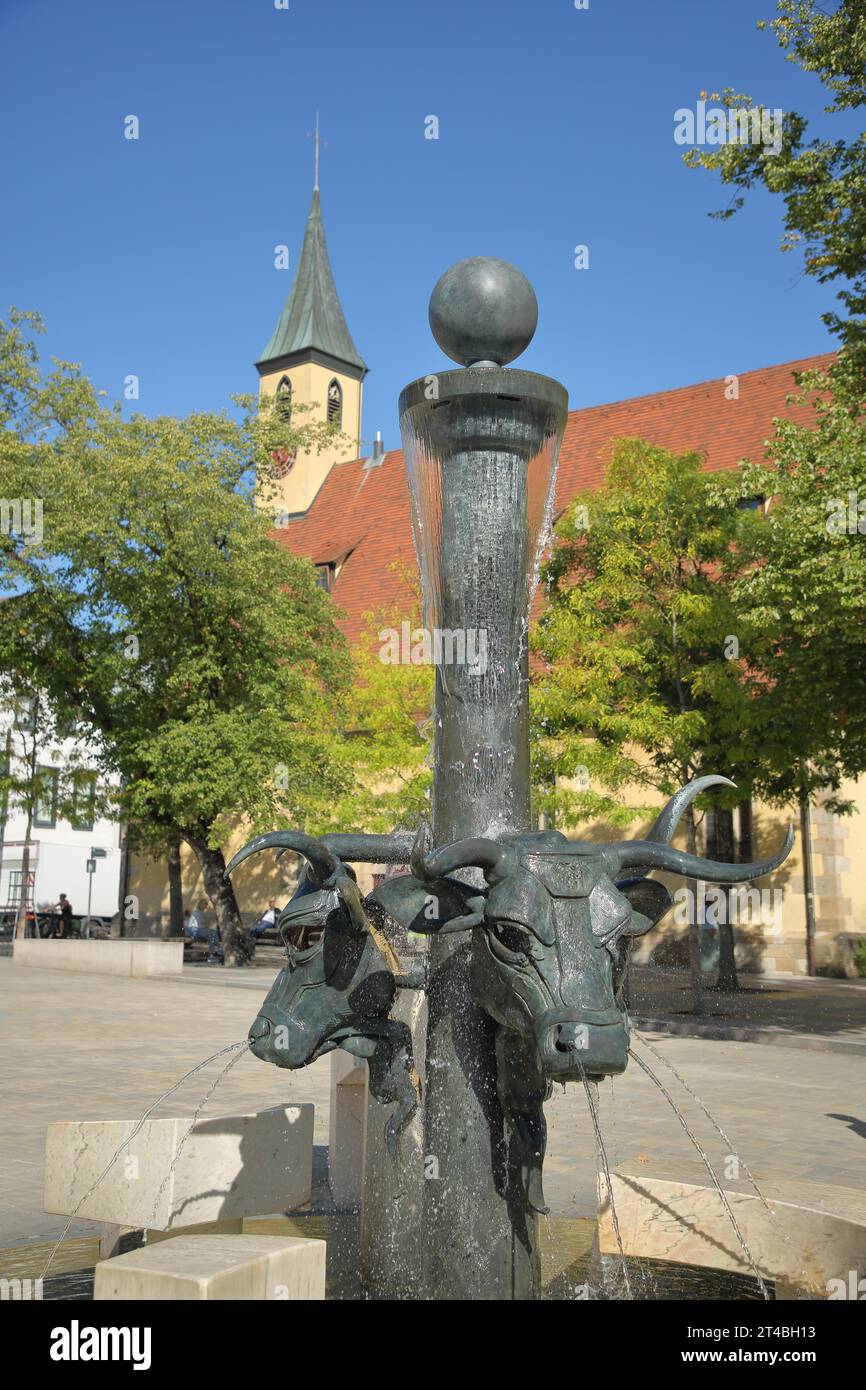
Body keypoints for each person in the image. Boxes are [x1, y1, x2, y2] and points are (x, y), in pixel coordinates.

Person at [185, 898, 221, 964]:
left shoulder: (199, 912)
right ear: (201, 904)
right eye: (205, 904)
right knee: (213, 933)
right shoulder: (197, 912)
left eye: (206, 904)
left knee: (211, 936)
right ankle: (218, 949)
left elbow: (203, 925)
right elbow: (200, 926)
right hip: (195, 930)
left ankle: (212, 955)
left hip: (196, 930)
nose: (206, 906)